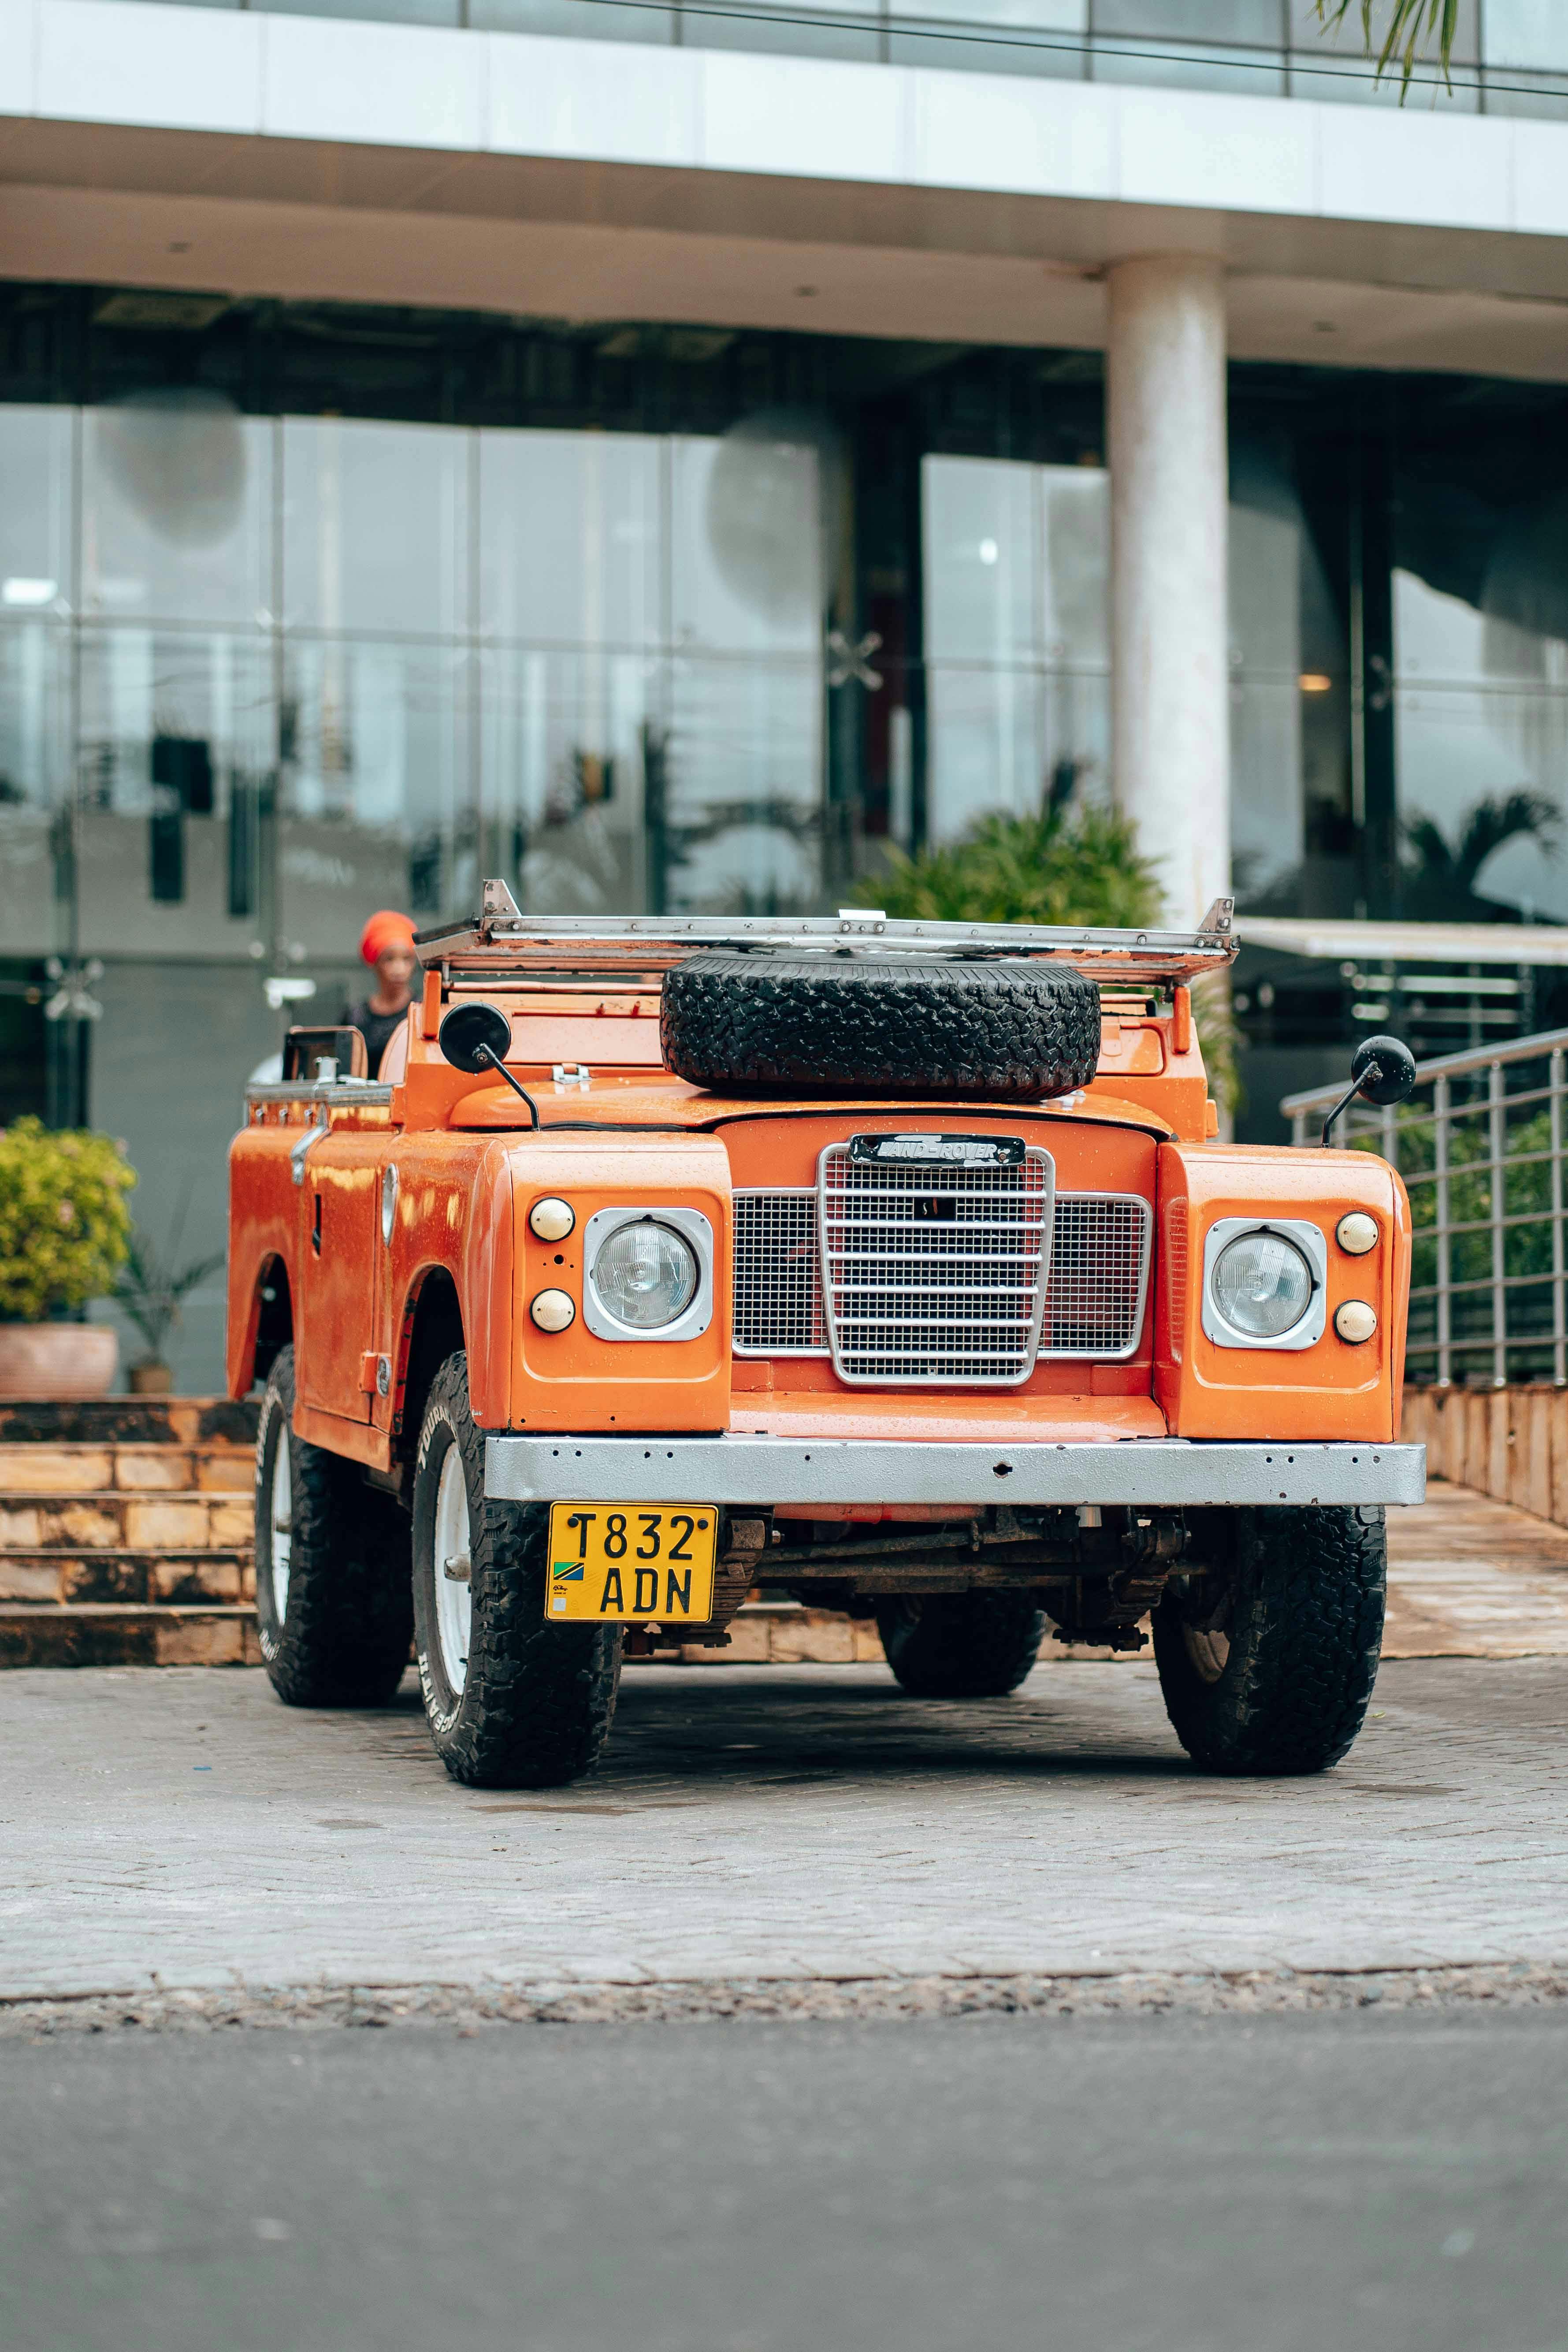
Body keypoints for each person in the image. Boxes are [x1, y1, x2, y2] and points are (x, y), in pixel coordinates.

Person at [344, 910, 417, 1077]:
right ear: (375, 963)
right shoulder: (356, 1017)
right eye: (389, 959)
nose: (399, 969)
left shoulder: (424, 1010)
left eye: (407, 959)